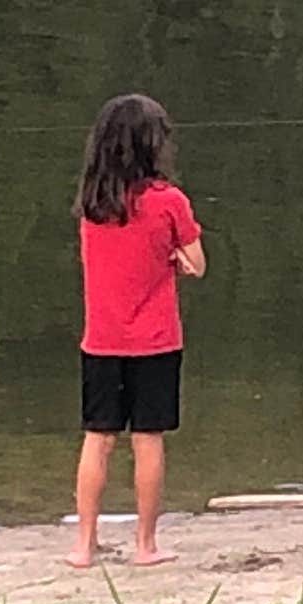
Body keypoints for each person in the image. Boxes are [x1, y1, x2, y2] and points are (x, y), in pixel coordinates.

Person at [71, 93, 204, 568]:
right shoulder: (169, 201)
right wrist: (175, 257)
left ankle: (84, 544)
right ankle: (145, 544)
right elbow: (197, 264)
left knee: (98, 438)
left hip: (101, 338)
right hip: (155, 340)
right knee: (148, 439)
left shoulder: (92, 205)